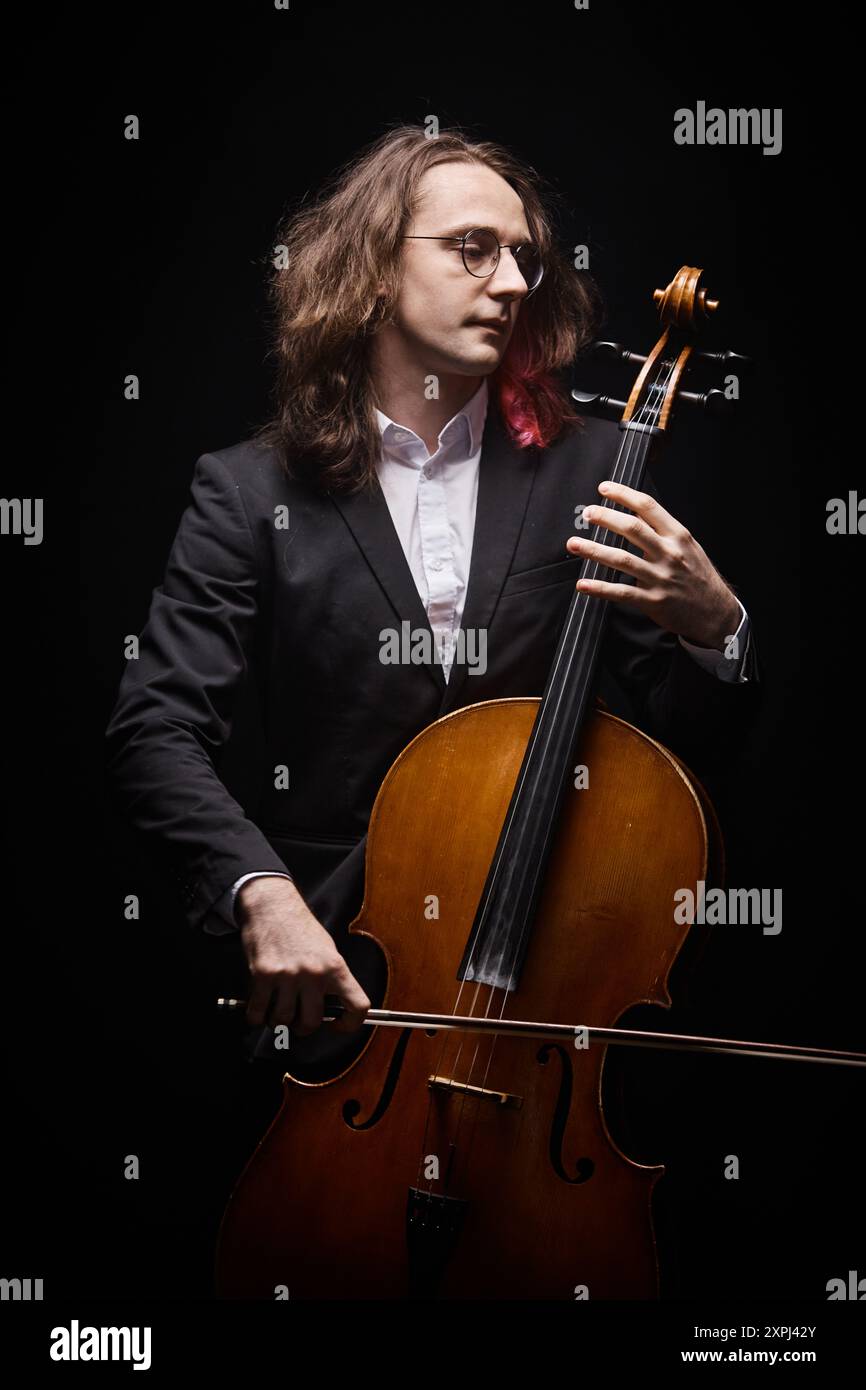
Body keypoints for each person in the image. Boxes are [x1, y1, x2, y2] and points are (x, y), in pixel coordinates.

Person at [105, 125, 759, 1076]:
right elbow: (153, 730)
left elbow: (681, 743)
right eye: (472, 249)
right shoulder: (249, 493)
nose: (510, 282)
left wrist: (716, 628)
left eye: (524, 258)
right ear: (372, 270)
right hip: (340, 986)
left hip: (546, 981)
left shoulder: (594, 467)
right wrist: (259, 890)